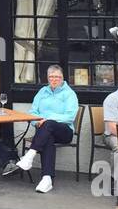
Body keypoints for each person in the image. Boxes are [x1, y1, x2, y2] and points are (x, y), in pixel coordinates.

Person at [11, 64, 80, 193]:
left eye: (57, 77)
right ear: (48, 78)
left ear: (62, 78)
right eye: (52, 77)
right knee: (48, 137)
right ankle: (47, 179)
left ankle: (30, 155)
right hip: (44, 130)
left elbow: (70, 116)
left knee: (49, 124)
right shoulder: (42, 92)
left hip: (64, 131)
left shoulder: (69, 94)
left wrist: (47, 119)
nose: (54, 79)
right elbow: (32, 112)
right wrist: (36, 122)